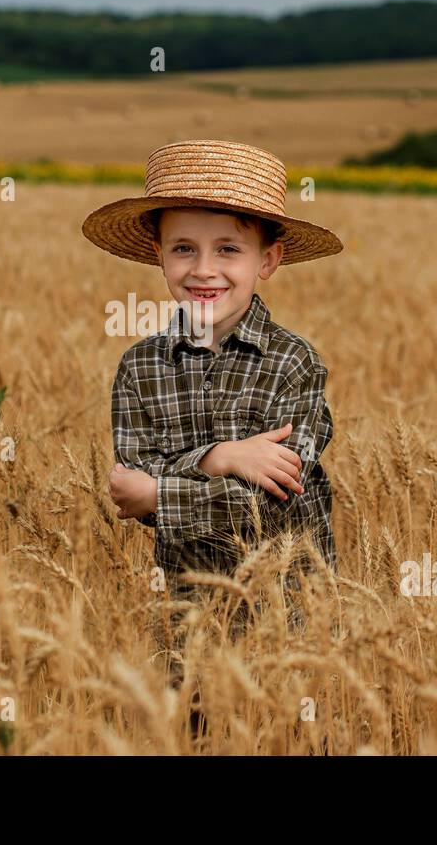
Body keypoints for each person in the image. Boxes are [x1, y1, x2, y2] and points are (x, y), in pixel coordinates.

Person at [80, 139, 344, 746]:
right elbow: (128, 487)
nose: (204, 269)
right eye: (184, 249)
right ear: (157, 254)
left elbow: (275, 501)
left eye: (228, 249)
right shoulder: (139, 368)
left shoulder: (295, 366)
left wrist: (164, 492)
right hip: (188, 618)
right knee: (195, 740)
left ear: (268, 260)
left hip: (291, 622)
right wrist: (221, 458)